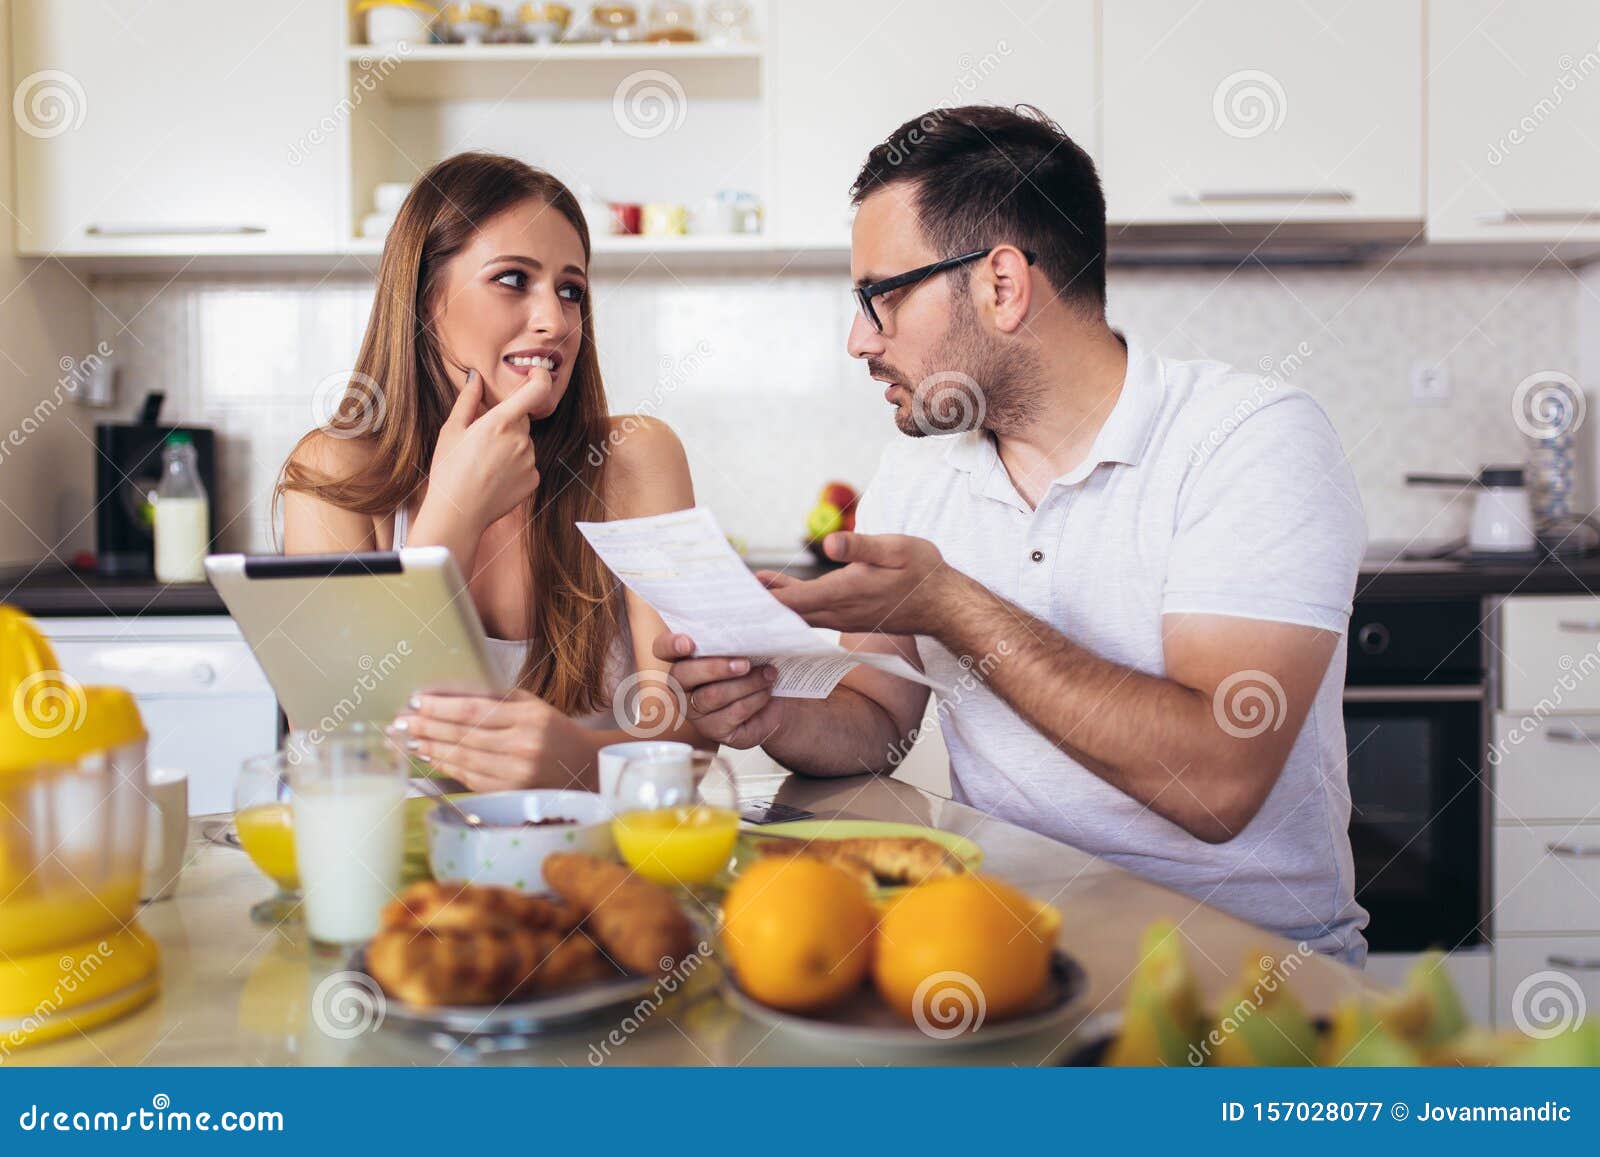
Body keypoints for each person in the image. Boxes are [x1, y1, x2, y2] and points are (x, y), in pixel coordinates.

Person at [655, 106, 1370, 963]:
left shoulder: (1248, 438)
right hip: (1002, 946)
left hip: (1247, 972)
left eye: (881, 296)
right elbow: (875, 718)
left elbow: (1216, 778)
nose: (859, 339)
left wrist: (951, 604)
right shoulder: (919, 471)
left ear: (1001, 285)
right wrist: (771, 706)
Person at [279, 151, 700, 792]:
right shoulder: (335, 474)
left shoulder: (634, 458)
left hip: (601, 849)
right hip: (406, 856)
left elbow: (691, 730)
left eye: (571, 290)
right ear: (425, 298)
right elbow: (342, 760)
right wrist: (455, 510)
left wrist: (579, 762)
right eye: (512, 279)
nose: (555, 322)